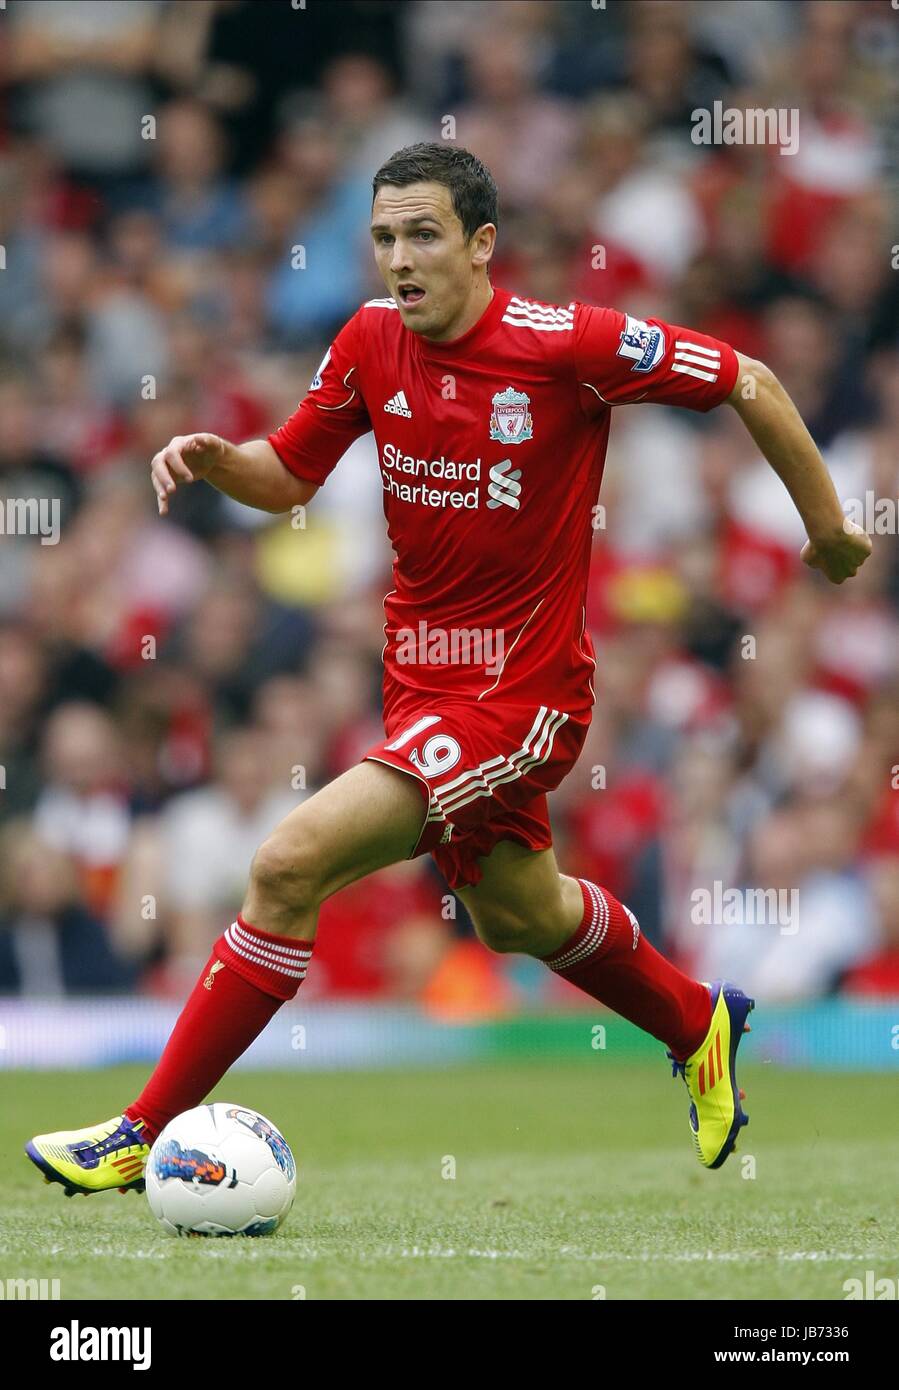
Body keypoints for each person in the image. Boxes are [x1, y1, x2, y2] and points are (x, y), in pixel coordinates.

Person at [26, 143, 871, 1197]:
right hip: (419, 686)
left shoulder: (567, 343)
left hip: (519, 700)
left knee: (288, 863)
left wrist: (829, 529)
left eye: (422, 234)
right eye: (382, 237)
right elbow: (287, 472)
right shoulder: (369, 339)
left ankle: (140, 1132)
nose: (398, 259)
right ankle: (696, 1021)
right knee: (517, 914)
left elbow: (745, 376)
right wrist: (216, 457)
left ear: (480, 245)